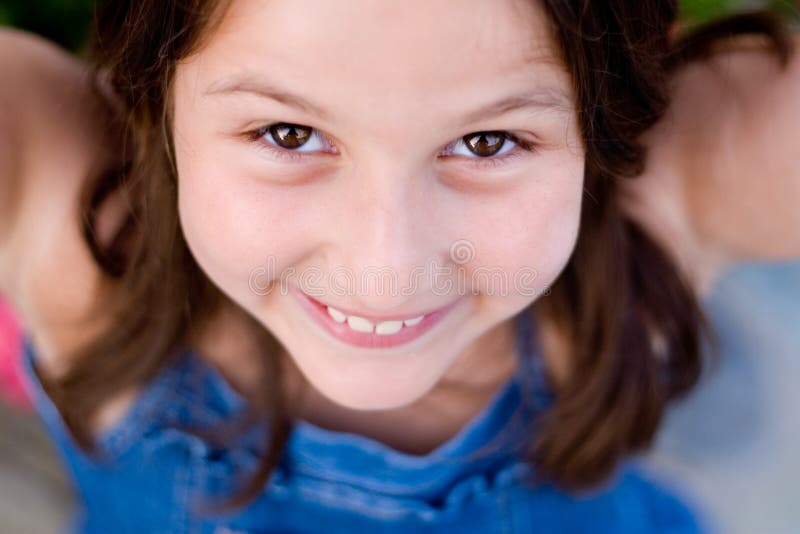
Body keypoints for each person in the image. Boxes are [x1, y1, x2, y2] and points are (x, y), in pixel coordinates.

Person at [0, 1, 793, 532]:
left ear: (605, 119)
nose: (387, 269)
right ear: (158, 91)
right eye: (288, 134)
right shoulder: (85, 229)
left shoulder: (660, 196)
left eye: (486, 142)